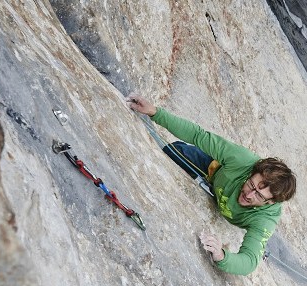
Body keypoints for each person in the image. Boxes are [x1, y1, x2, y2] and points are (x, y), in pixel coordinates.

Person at [126, 94, 296, 276]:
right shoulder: (242, 160)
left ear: (269, 203)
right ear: (251, 173)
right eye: (251, 185)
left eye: (259, 196)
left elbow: (249, 262)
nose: (249, 194)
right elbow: (198, 136)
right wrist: (155, 112)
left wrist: (222, 256)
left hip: (219, 187)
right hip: (212, 170)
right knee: (173, 150)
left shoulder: (265, 220)